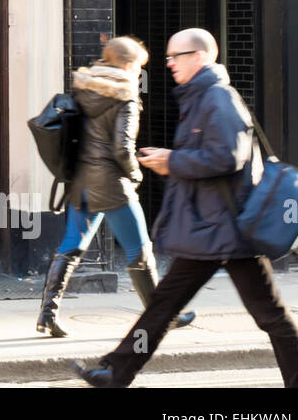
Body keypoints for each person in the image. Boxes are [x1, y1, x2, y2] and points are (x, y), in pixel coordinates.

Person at [74, 28, 298, 388]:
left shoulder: (218, 98)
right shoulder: (199, 97)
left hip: (232, 232)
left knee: (271, 317)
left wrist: (173, 161)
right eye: (168, 57)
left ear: (200, 57)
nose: (169, 63)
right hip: (207, 230)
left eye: (176, 56)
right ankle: (115, 372)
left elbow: (227, 157)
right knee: (162, 307)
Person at [37, 36, 195, 337]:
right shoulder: (126, 96)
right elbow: (121, 148)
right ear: (126, 64)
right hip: (111, 185)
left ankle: (47, 314)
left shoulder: (85, 87)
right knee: (140, 250)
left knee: (71, 247)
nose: (139, 72)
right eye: (138, 66)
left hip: (81, 182)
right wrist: (135, 173)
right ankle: (163, 316)